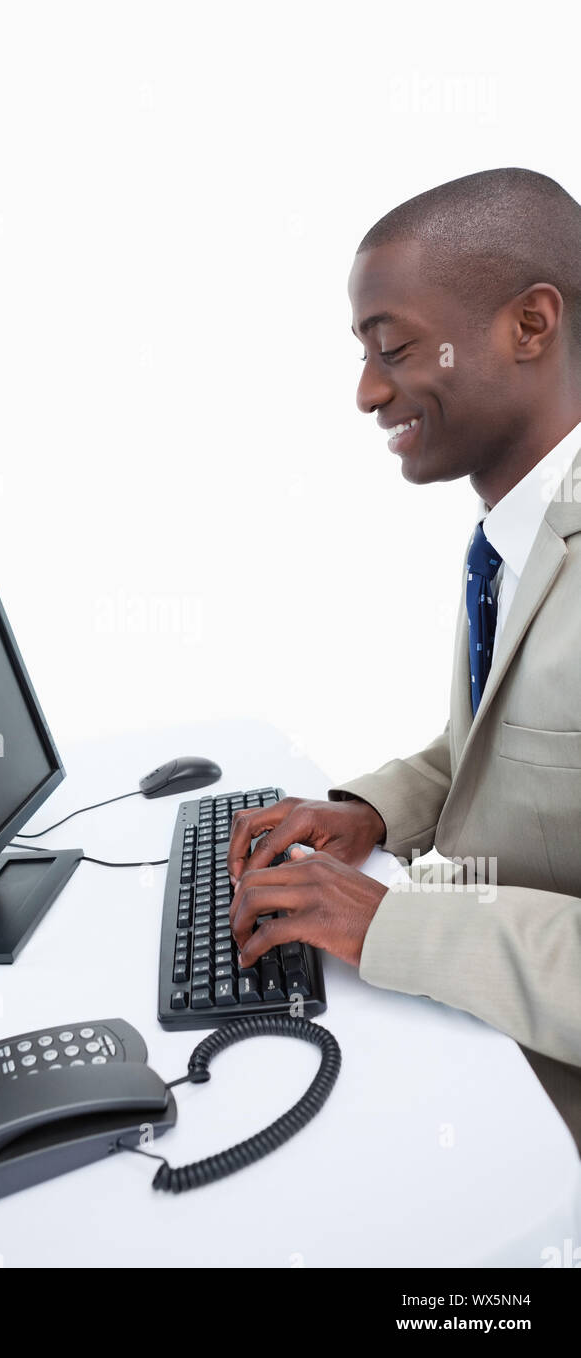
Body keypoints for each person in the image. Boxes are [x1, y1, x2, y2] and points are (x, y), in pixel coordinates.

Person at [227, 168, 581, 1150]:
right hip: (485, 1034)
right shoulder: (517, 536)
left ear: (529, 324)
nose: (366, 391)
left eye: (391, 347)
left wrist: (387, 923)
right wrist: (366, 813)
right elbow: (493, 750)